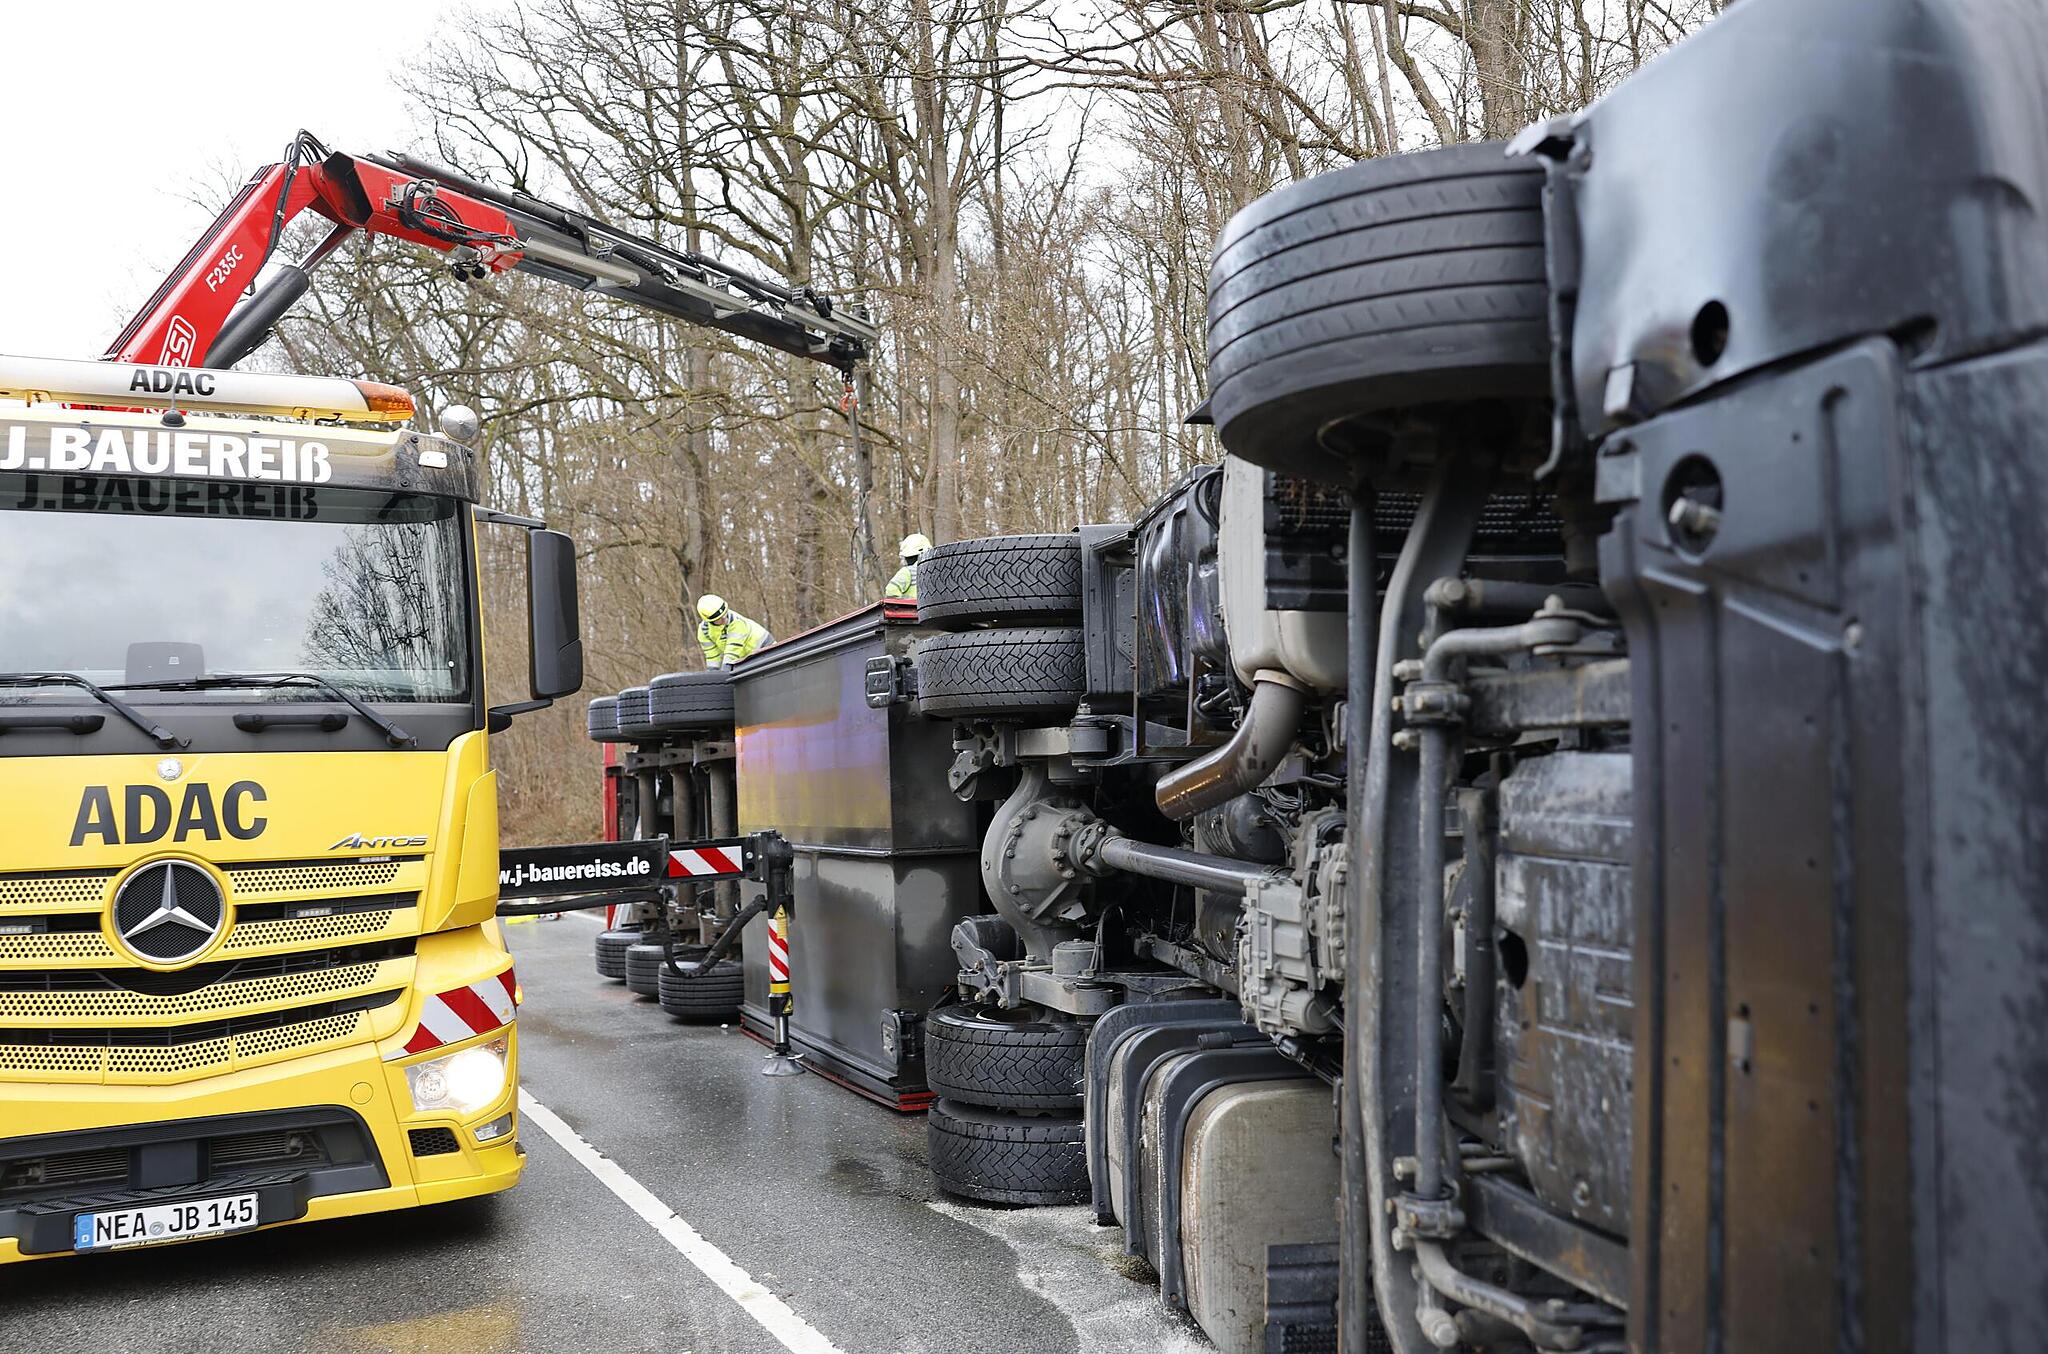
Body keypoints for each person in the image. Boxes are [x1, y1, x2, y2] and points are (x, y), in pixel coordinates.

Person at [696, 594, 773, 669]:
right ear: (710, 620)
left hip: (766, 649)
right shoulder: (704, 631)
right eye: (720, 618)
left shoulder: (737, 622)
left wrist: (725, 672)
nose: (724, 618)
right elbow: (712, 654)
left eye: (725, 613)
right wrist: (712, 672)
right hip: (745, 658)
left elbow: (732, 652)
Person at [885, 533, 932, 600]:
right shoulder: (936, 571)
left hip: (912, 610)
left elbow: (891, 591)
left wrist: (902, 606)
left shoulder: (907, 572)